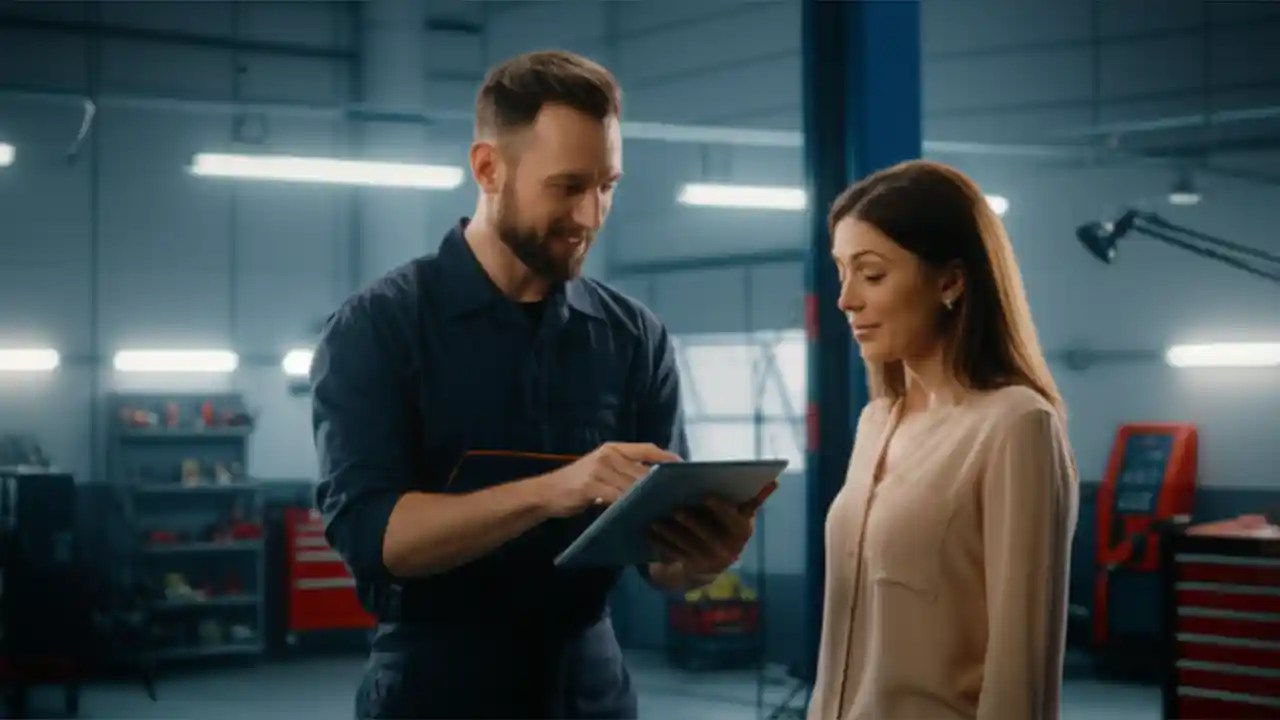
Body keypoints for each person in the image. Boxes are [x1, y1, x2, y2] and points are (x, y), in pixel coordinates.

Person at [311, 50, 768, 719]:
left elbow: (658, 562)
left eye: (607, 185)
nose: (591, 214)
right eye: (568, 186)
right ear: (489, 168)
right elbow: (376, 538)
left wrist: (700, 557)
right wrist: (558, 490)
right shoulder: (378, 328)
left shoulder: (634, 339)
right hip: (436, 686)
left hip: (592, 686)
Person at [808, 160, 1079, 720]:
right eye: (841, 272)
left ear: (951, 281)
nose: (846, 300)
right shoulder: (876, 422)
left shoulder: (1017, 426)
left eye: (872, 274)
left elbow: (1020, 668)